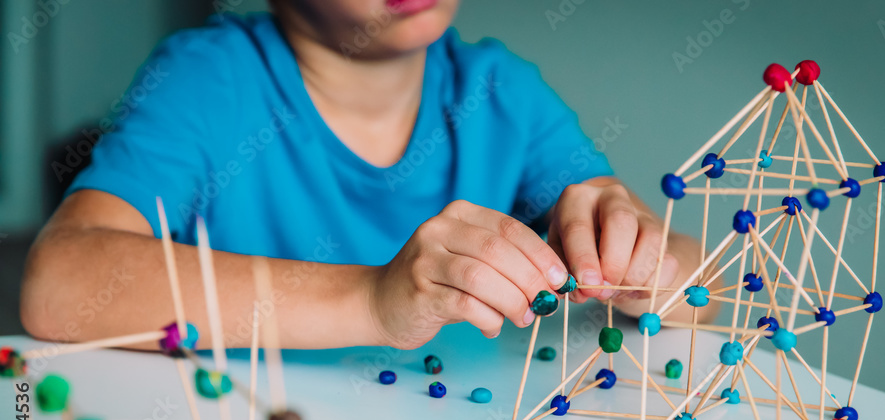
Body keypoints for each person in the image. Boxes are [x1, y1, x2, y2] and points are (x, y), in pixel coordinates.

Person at [21, 0, 711, 351]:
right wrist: (375, 302)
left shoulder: (504, 95)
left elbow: (701, 294)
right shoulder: (208, 80)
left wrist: (642, 252)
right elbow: (59, 285)